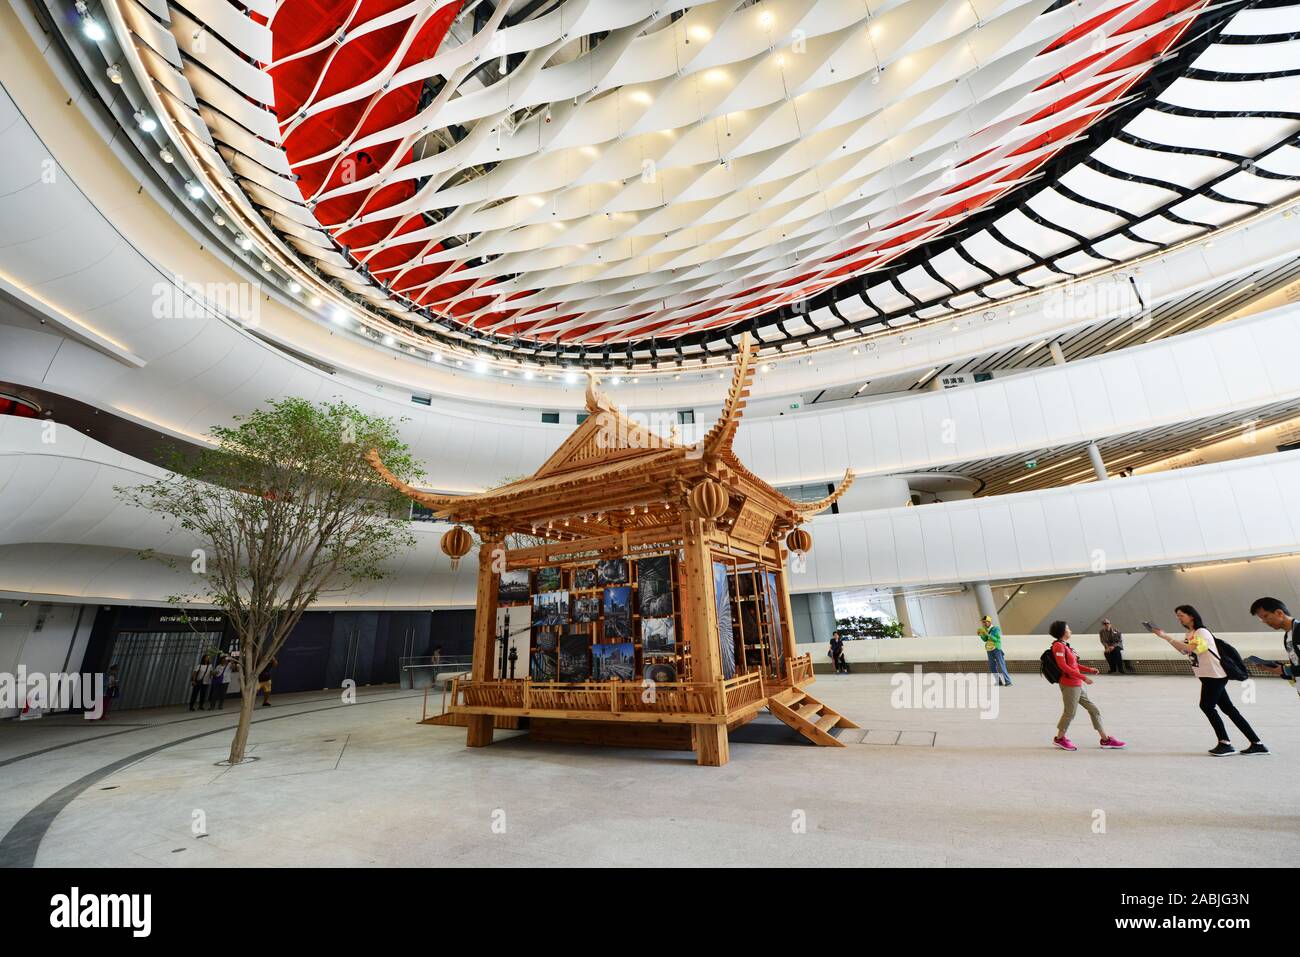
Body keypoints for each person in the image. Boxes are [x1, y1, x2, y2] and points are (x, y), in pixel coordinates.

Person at [1152, 605, 1268, 756]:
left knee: (1206, 706)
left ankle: (1225, 743)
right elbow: (1184, 650)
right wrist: (1166, 638)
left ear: (1191, 616)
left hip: (1215, 675)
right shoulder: (1191, 633)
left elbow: (1194, 649)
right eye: (1177, 615)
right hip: (1207, 675)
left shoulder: (1202, 632)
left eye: (1181, 615)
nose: (1178, 618)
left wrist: (1166, 636)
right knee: (1229, 709)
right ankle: (1257, 743)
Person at [1048, 621, 1126, 751]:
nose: (1070, 630)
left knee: (1094, 709)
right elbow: (1063, 667)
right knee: (1070, 712)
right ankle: (1060, 738)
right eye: (1068, 628)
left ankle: (1105, 739)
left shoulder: (1065, 646)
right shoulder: (1058, 647)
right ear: (1062, 632)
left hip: (1077, 684)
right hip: (1069, 685)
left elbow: (1073, 665)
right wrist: (1084, 677)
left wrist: (1089, 669)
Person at [1248, 597, 1299, 698]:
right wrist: (1273, 668)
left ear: (1279, 613)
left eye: (1266, 616)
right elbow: (1296, 664)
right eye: (1262, 619)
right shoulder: (1288, 636)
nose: (1264, 621)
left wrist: (1284, 669)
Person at [978, 615, 1011, 686]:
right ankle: (998, 681)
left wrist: (987, 634)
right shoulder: (985, 629)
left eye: (985, 622)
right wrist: (981, 635)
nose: (983, 624)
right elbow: (985, 640)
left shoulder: (996, 628)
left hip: (996, 648)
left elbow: (996, 639)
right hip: (989, 649)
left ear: (989, 622)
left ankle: (1008, 681)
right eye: (983, 622)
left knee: (1001, 665)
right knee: (992, 666)